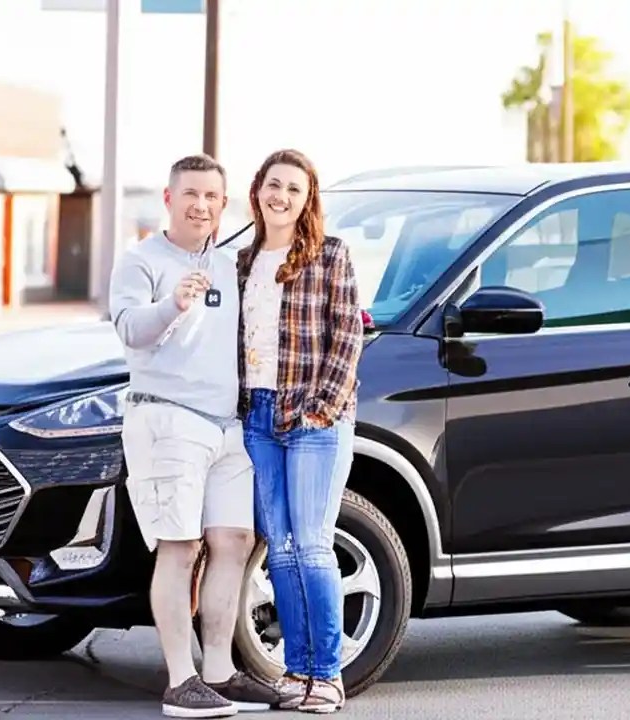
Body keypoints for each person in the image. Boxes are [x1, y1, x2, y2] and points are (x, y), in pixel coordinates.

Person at [109, 153, 281, 718]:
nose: (201, 206)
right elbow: (130, 329)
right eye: (190, 195)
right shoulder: (141, 261)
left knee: (232, 543)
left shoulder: (232, 262)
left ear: (223, 203)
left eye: (212, 196)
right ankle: (179, 682)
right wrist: (173, 304)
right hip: (167, 421)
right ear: (168, 198)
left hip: (227, 427)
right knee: (179, 549)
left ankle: (219, 673)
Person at [237, 149, 364, 714]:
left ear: (307, 198)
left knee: (312, 544)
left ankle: (327, 674)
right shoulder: (241, 262)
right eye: (273, 185)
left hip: (315, 416)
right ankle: (296, 672)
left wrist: (324, 406)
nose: (280, 196)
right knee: (281, 550)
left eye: (293, 188)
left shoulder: (329, 255)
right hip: (258, 418)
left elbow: (348, 336)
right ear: (257, 190)